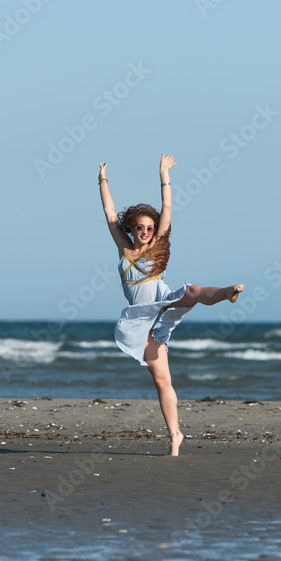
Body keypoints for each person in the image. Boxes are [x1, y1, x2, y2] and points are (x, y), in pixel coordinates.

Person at [98, 154, 244, 456]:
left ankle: (228, 290)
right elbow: (110, 213)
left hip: (162, 306)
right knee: (162, 380)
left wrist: (163, 174)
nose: (146, 232)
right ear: (132, 228)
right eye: (140, 227)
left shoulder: (157, 247)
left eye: (150, 228)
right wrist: (102, 180)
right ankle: (175, 435)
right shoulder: (124, 248)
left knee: (191, 292)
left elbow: (167, 208)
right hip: (141, 323)